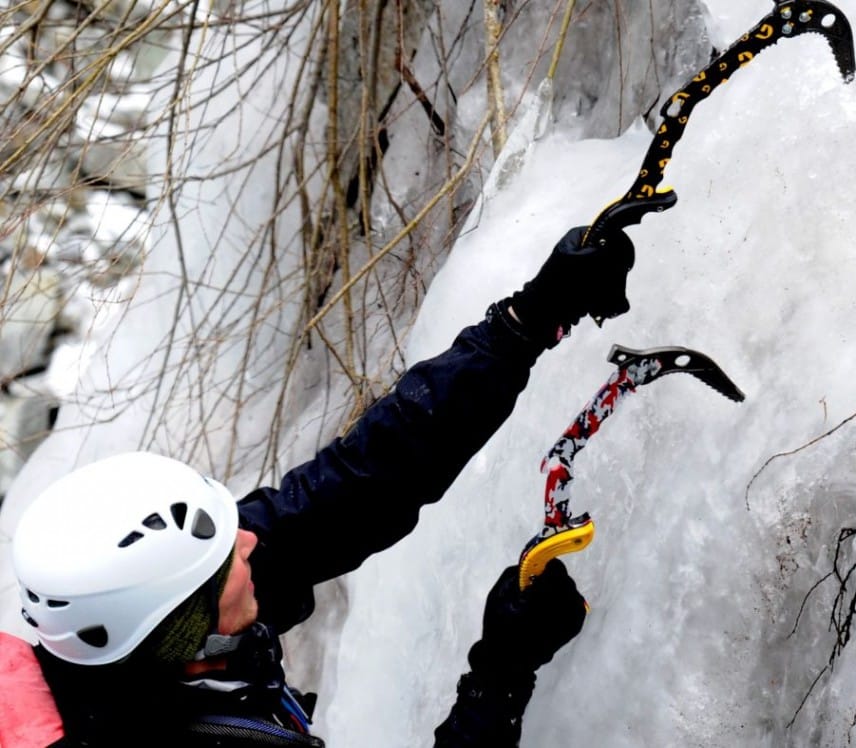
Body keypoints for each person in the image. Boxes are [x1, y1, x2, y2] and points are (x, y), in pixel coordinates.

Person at [9, 226, 634, 746]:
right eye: (226, 555)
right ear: (183, 629)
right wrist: (499, 677)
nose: (249, 543)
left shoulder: (161, 625)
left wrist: (525, 323)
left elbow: (363, 483)